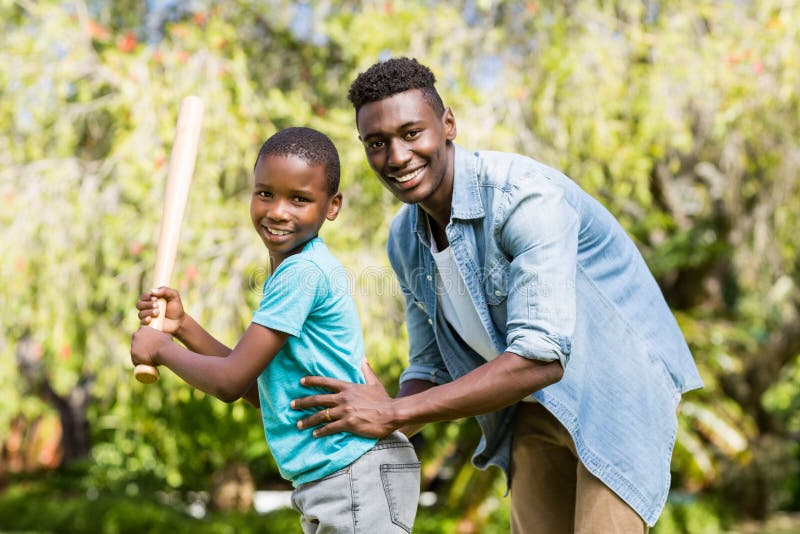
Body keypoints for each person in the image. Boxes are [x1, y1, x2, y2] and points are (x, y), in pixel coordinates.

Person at [289, 58, 703, 532]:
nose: (397, 156)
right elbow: (429, 366)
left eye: (411, 133)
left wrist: (392, 413)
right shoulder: (405, 237)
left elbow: (540, 356)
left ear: (448, 125)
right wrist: (373, 436)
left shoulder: (524, 198)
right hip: (535, 404)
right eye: (377, 143)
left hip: (618, 388)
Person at [130, 127, 420, 533]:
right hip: (338, 476)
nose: (278, 211)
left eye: (299, 199)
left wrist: (160, 349)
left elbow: (229, 383)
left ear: (332, 206)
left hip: (353, 472)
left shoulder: (300, 274)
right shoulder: (298, 270)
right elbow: (254, 386)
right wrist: (182, 327)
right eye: (265, 193)